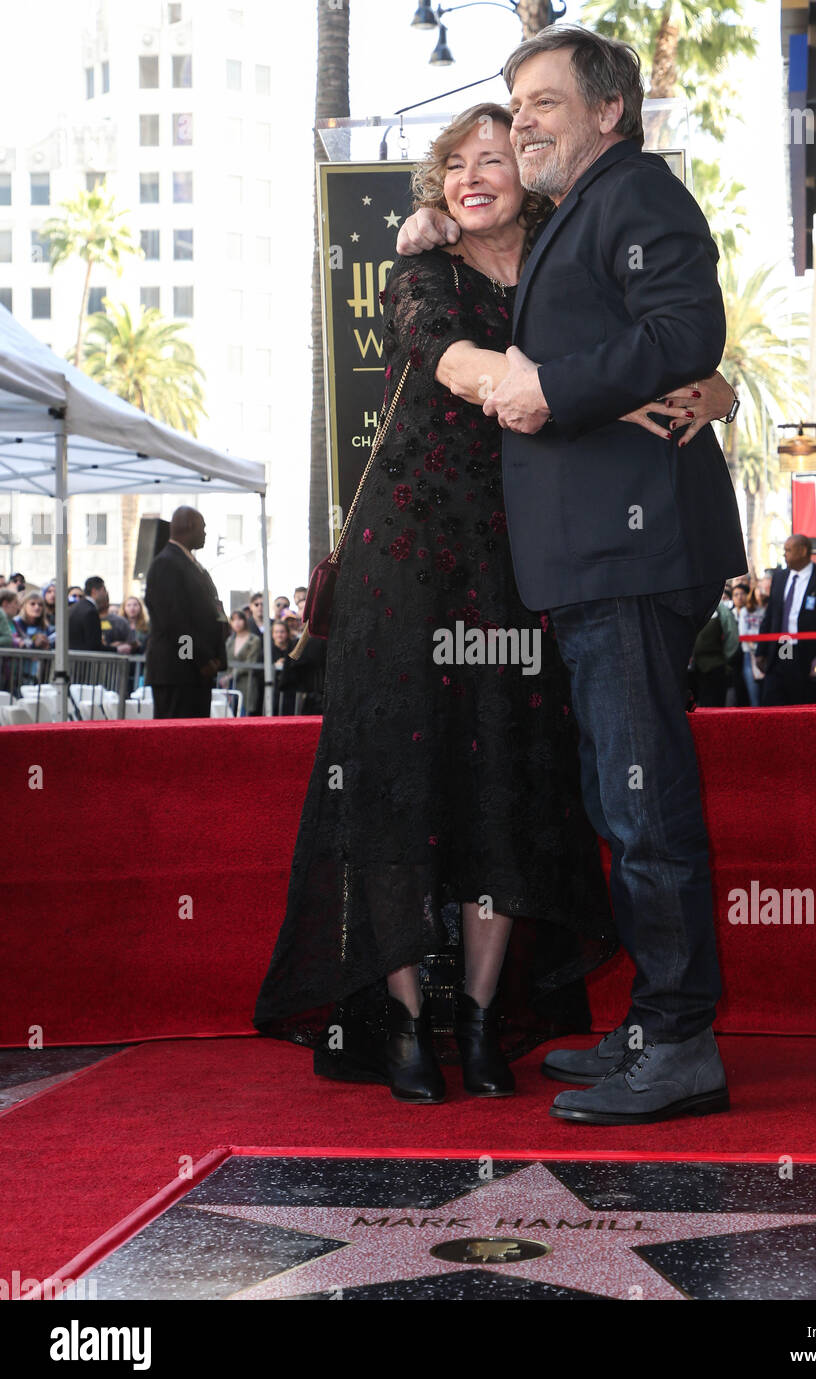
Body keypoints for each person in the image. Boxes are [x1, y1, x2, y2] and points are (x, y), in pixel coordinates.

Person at [253, 90, 738, 1109]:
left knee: (505, 788)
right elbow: (450, 357)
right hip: (408, 564)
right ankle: (400, 1029)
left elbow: (662, 342)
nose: (475, 175)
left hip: (524, 566)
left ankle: (477, 1022)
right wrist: (525, 381)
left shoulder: (568, 263)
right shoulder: (423, 269)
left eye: (498, 157)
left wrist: (713, 387)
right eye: (458, 162)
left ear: (533, 175)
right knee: (397, 786)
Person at [392, 24, 747, 1125]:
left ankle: (682, 1039)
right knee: (620, 797)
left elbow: (690, 327)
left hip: (632, 550)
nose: (524, 122)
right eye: (516, 105)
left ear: (610, 111)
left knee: (645, 804)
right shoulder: (576, 214)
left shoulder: (639, 195)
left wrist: (550, 386)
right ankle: (653, 1018)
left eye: (545, 103)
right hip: (594, 558)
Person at [144, 507, 230, 719]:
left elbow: (213, 610)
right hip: (178, 672)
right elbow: (173, 621)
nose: (205, 534)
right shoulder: (166, 564)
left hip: (195, 675)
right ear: (189, 526)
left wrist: (218, 655)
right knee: (175, 741)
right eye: (203, 528)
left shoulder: (194, 566)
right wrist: (200, 660)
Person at [758, 535, 816, 705]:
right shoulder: (780, 578)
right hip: (781, 647)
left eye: (788, 550)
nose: (784, 554)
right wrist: (761, 651)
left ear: (803, 551)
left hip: (805, 653)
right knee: (772, 699)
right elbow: (770, 616)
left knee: (801, 701)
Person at [224, 609, 262, 715]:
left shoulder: (254, 640)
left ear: (245, 621)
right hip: (229, 686)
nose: (237, 622)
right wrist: (226, 679)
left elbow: (250, 662)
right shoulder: (229, 640)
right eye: (233, 619)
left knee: (245, 716)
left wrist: (231, 675)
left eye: (240, 619)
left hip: (247, 684)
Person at [12, 590, 54, 682]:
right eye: (32, 604)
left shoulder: (45, 626)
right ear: (24, 605)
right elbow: (16, 641)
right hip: (18, 673)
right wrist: (34, 640)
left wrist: (47, 645)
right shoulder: (16, 622)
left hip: (37, 674)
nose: (37, 607)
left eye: (40, 605)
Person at [737, 579, 767, 707]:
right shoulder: (745, 611)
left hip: (765, 655)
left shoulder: (767, 611)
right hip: (750, 656)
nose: (760, 593)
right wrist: (756, 646)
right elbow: (743, 634)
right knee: (754, 696)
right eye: (758, 589)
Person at [67, 576, 107, 653]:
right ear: (94, 591)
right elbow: (94, 646)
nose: (105, 593)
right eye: (103, 590)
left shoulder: (77, 607)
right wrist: (117, 649)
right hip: (82, 660)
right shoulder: (90, 611)